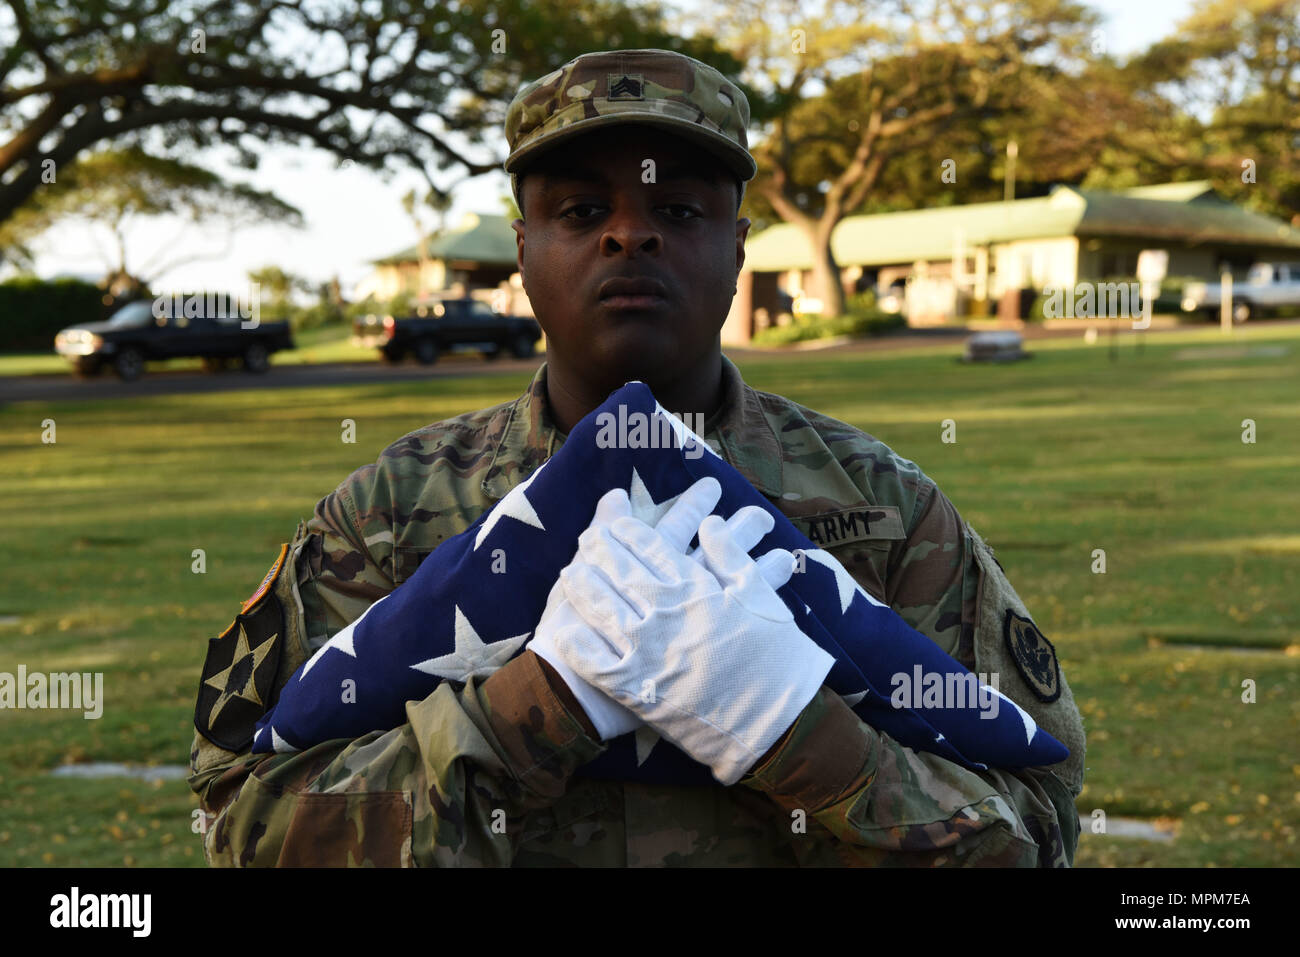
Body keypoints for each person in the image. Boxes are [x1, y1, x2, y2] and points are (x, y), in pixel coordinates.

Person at [188, 48, 1085, 867]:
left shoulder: (888, 510)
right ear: (524, 253)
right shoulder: (385, 512)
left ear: (737, 251)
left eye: (680, 210)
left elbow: (1037, 825)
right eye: (582, 211)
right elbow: (241, 824)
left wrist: (794, 728)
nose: (630, 235)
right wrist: (536, 707)